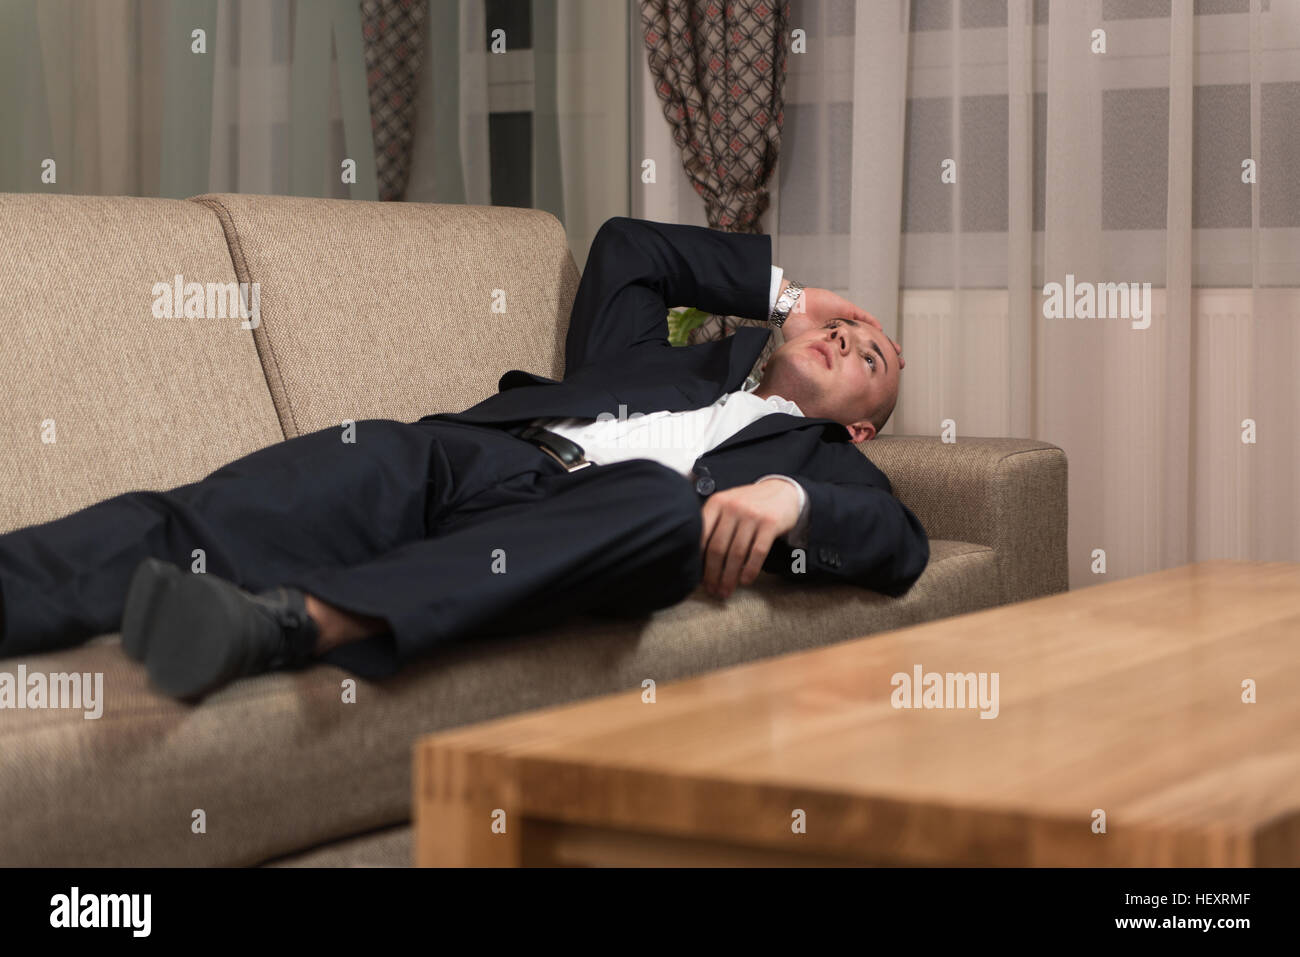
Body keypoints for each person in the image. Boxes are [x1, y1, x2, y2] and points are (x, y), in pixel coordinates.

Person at [0, 216, 928, 701]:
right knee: (198, 517)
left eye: (870, 355)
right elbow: (629, 247)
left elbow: (900, 541)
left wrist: (787, 500)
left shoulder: (826, 466)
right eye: (841, 328)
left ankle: (291, 624)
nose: (848, 339)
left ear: (863, 430)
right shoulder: (653, 360)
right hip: (460, 457)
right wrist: (787, 291)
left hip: (581, 525)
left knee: (655, 502)